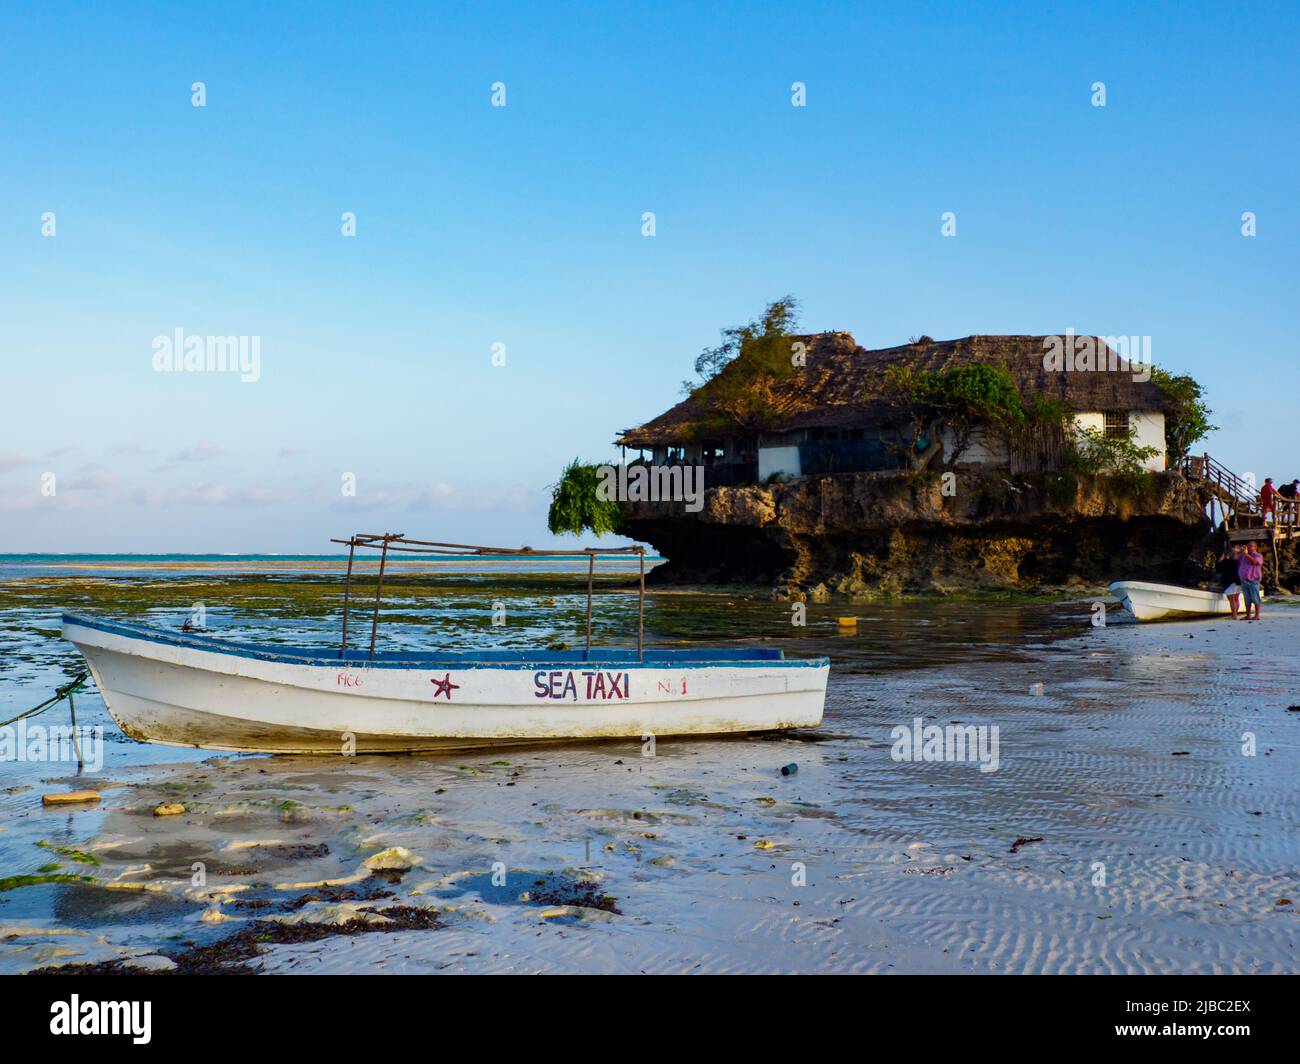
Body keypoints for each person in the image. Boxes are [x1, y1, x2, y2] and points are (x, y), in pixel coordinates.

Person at [1237, 540, 1264, 622]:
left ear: (1255, 547)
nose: (1249, 547)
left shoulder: (1258, 555)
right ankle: (1248, 615)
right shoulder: (1243, 555)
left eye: (1251, 546)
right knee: (1247, 599)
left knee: (1255, 598)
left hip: (1253, 580)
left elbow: (1255, 562)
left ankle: (1257, 615)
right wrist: (1237, 551)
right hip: (1244, 580)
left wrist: (1246, 554)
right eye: (1248, 545)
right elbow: (1235, 559)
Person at [1215, 545, 1242, 620]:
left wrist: (1220, 560)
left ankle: (1234, 616)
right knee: (1236, 599)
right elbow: (1237, 572)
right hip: (1238, 582)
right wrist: (1239, 582)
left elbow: (1218, 570)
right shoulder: (1236, 562)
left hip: (1230, 582)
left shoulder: (1224, 562)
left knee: (1232, 600)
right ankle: (1235, 614)